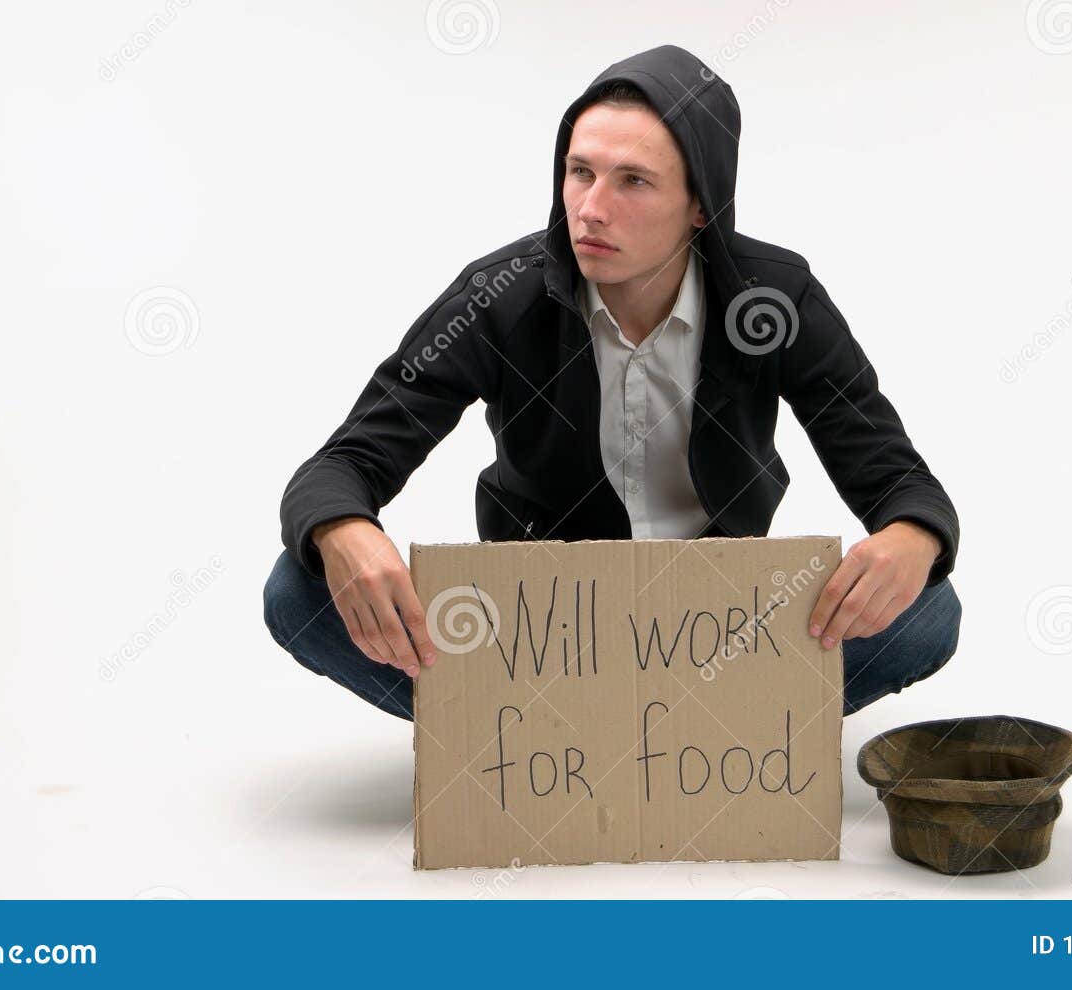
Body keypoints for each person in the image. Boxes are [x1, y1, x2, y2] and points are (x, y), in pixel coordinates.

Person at [263, 45, 962, 721]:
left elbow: (898, 479)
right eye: (579, 172)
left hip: (718, 630)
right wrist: (345, 528)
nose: (590, 208)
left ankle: (653, 737)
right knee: (300, 589)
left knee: (929, 608)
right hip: (541, 640)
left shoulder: (775, 302)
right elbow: (343, 465)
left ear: (700, 204)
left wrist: (909, 538)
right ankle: (567, 732)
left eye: (633, 180)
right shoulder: (498, 298)